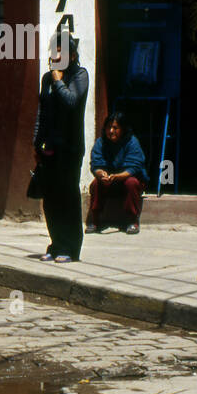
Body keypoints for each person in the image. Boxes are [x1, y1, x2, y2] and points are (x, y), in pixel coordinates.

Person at [33, 32, 90, 262]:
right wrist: (36, 143)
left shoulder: (80, 75)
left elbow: (72, 102)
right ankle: (56, 243)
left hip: (70, 148)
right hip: (49, 148)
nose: (54, 56)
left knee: (67, 197)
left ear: (72, 55)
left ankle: (70, 247)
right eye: (52, 52)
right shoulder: (47, 78)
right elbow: (42, 112)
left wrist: (58, 81)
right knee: (51, 199)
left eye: (59, 52)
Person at [87, 111, 147, 234]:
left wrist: (117, 176)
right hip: (110, 181)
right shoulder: (100, 142)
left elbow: (133, 167)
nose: (111, 131)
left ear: (123, 129)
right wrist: (100, 174)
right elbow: (96, 164)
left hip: (128, 179)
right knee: (95, 184)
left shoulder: (132, 142)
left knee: (131, 183)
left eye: (115, 128)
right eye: (108, 127)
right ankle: (95, 221)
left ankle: (132, 221)